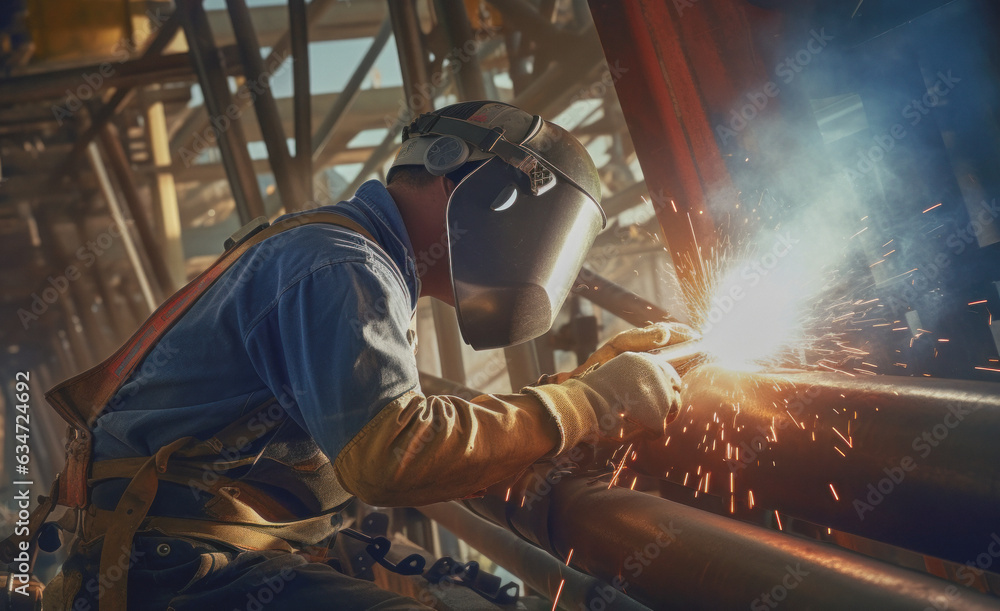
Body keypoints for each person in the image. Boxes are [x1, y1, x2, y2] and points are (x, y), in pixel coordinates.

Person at [28, 101, 689, 610]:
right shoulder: (341, 265)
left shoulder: (352, 256)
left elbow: (402, 418)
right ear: (480, 186)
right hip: (173, 570)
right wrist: (589, 404)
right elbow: (392, 455)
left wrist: (587, 383)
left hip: (191, 549)